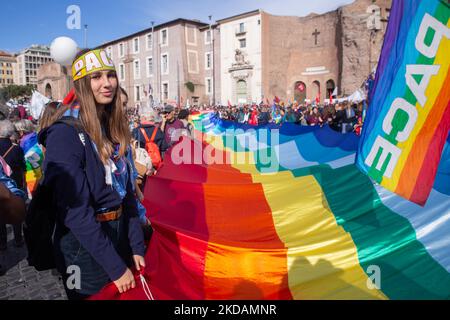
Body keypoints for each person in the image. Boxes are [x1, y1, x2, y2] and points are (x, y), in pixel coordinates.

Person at [38, 48, 145, 299]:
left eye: (110, 75)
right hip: (82, 245)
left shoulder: (110, 127)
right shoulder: (63, 134)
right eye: (96, 77)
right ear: (82, 85)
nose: (107, 83)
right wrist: (116, 268)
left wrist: (136, 245)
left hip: (117, 232)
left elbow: (126, 194)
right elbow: (75, 213)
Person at [0, 120, 26, 250]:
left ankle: (2, 242)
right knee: (15, 210)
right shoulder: (16, 149)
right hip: (14, 183)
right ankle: (18, 239)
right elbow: (23, 166)